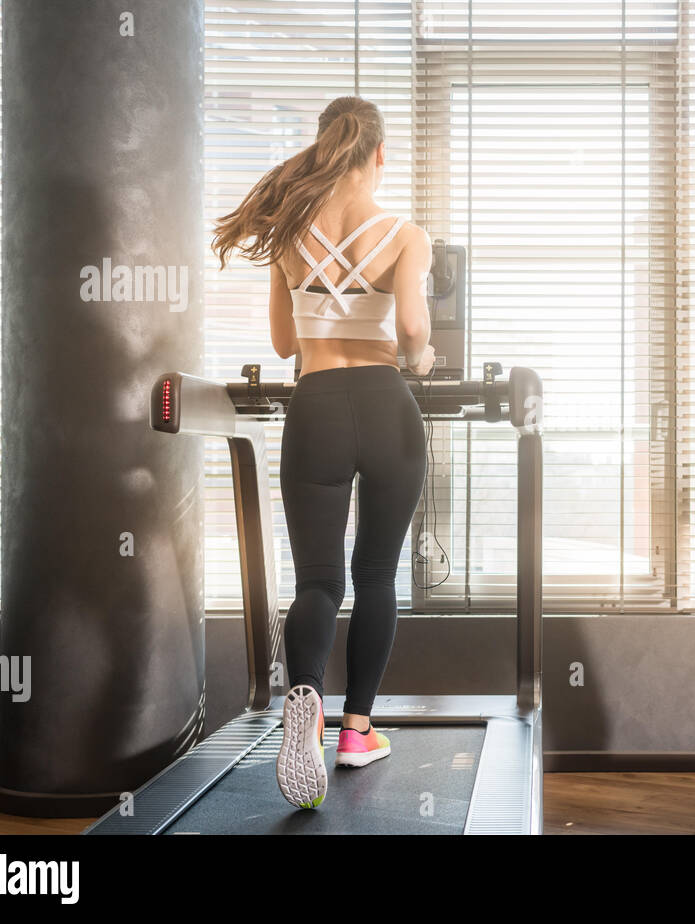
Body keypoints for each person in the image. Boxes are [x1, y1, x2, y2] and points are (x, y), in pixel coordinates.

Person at [212, 96, 436, 809]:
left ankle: (302, 698)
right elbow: (409, 329)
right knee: (377, 576)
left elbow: (284, 344)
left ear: (324, 149)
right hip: (385, 402)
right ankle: (357, 732)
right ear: (379, 154)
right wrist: (423, 358)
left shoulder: (289, 235)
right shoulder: (405, 234)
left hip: (316, 406)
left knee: (318, 583)